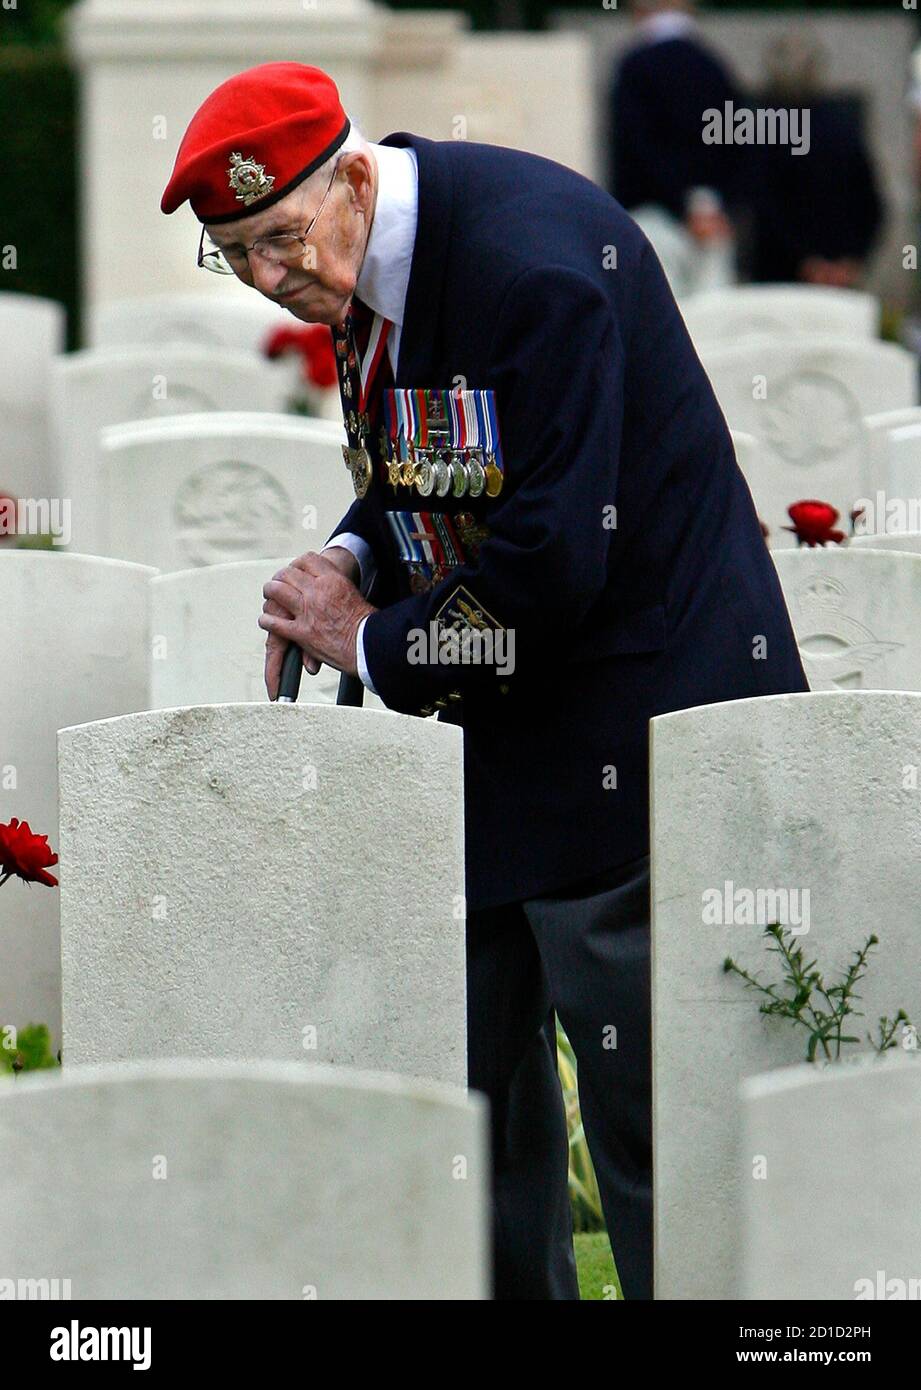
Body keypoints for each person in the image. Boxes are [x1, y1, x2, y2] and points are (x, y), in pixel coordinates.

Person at [161, 62, 809, 1300]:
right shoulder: (390, 243)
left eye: (277, 238)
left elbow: (554, 566)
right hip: (498, 739)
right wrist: (355, 546)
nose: (265, 278)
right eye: (230, 253)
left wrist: (366, 640)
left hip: (635, 737)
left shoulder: (533, 274)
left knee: (652, 1147)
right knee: (480, 1140)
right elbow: (445, 449)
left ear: (352, 178)